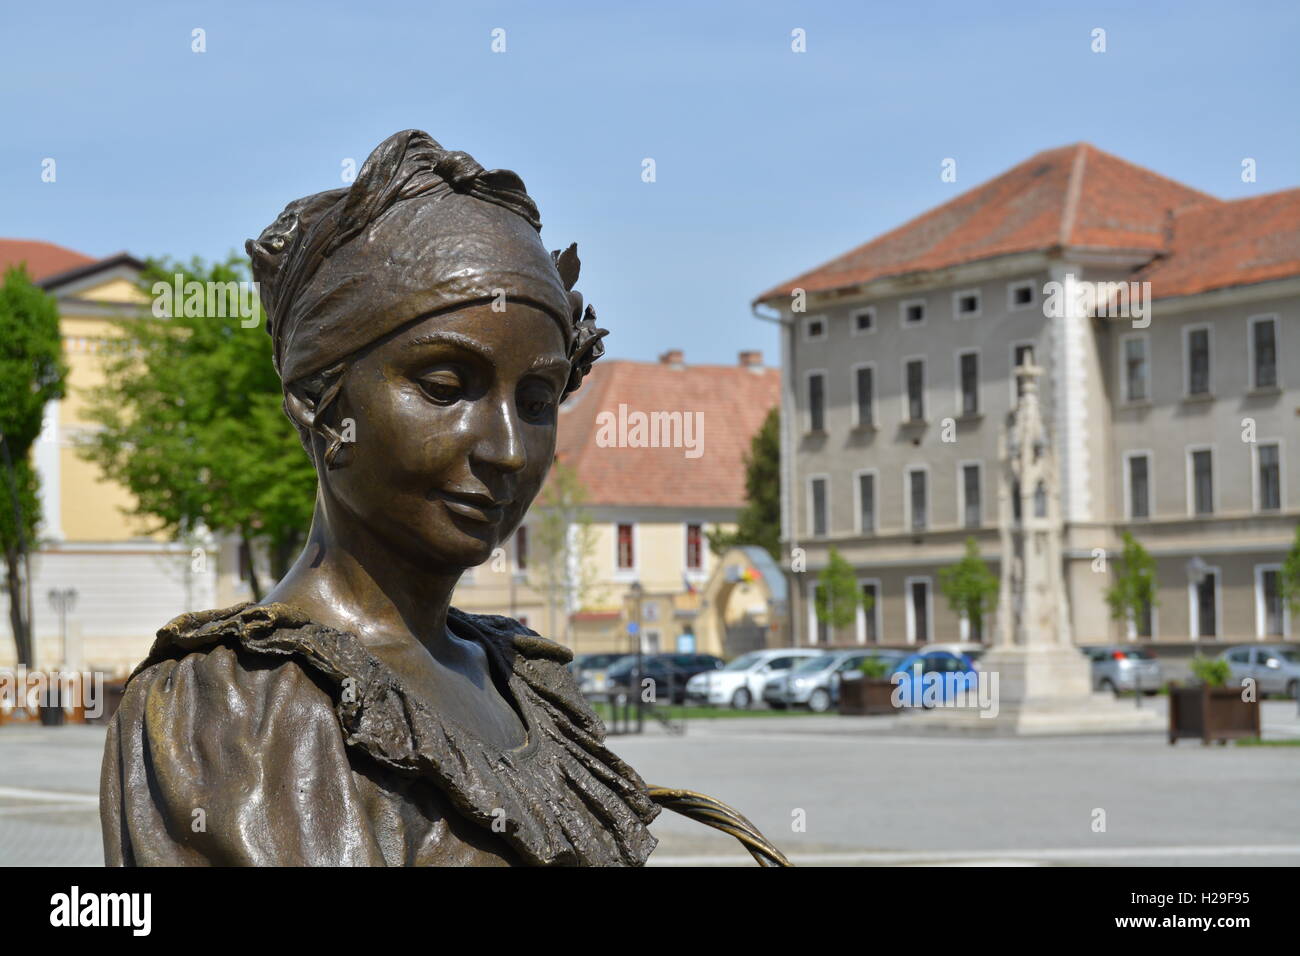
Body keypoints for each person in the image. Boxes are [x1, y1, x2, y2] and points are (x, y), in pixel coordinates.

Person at [100, 130, 655, 866]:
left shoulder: (523, 680)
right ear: (317, 401)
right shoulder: (242, 708)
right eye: (445, 388)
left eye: (537, 399)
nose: (508, 449)